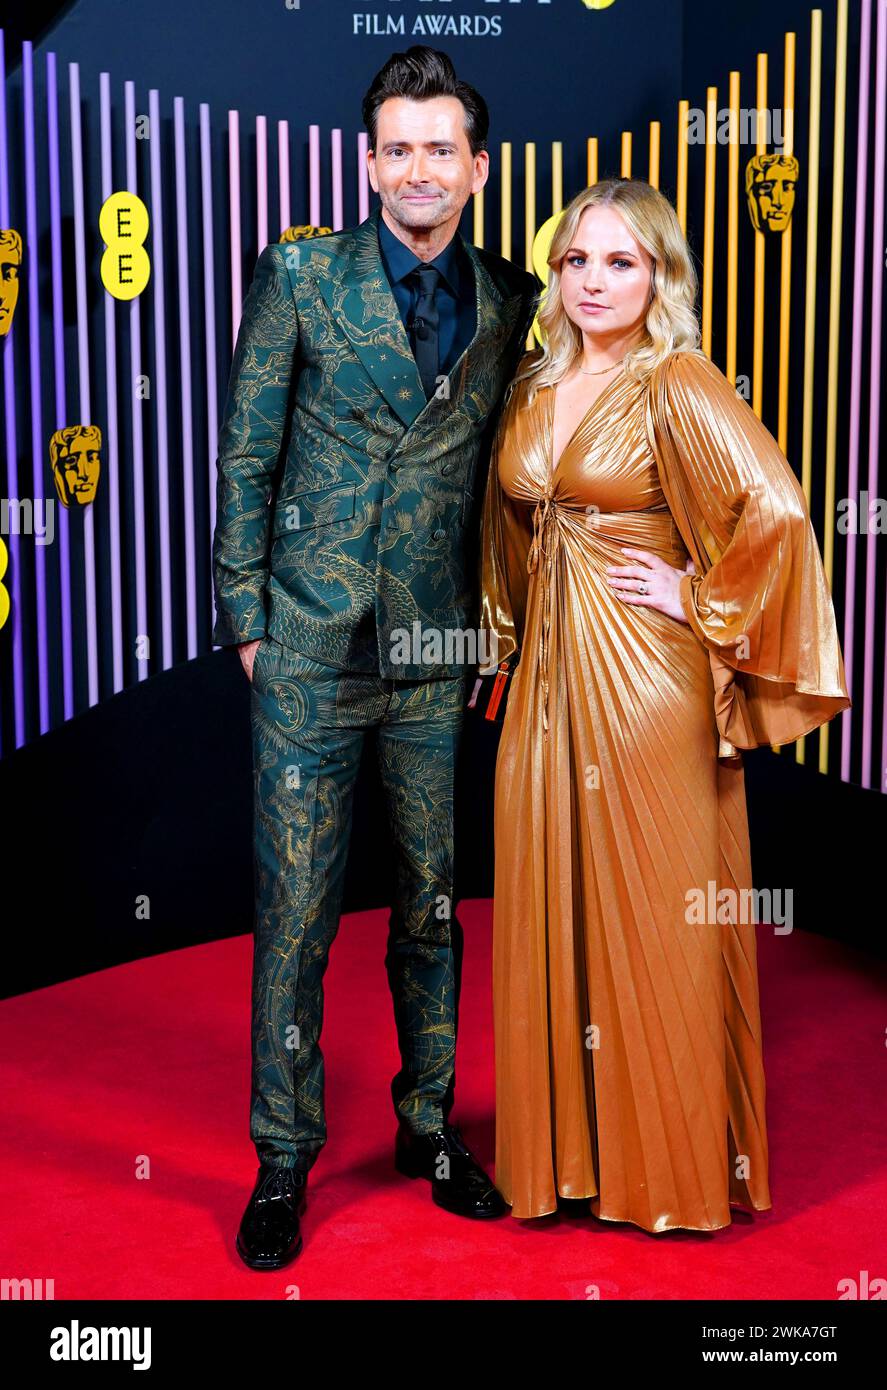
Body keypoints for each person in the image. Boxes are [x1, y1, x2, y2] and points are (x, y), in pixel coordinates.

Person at [212, 45, 538, 1268]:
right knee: (295, 914)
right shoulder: (300, 275)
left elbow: (514, 481)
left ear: (476, 165)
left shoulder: (510, 301)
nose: (417, 168)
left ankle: (428, 1125)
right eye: (395, 147)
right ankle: (283, 1158)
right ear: (366, 161)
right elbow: (246, 455)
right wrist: (246, 618)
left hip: (430, 652)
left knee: (431, 906)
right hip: (304, 644)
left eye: (438, 147)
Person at [478, 177, 850, 1233]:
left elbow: (775, 509)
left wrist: (698, 592)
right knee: (553, 906)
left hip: (647, 686)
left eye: (621, 262)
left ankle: (670, 1178)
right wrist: (497, 640)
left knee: (656, 921)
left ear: (659, 278)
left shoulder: (674, 379)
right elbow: (511, 532)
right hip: (544, 694)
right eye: (576, 261)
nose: (593, 281)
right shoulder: (532, 382)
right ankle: (568, 1163)